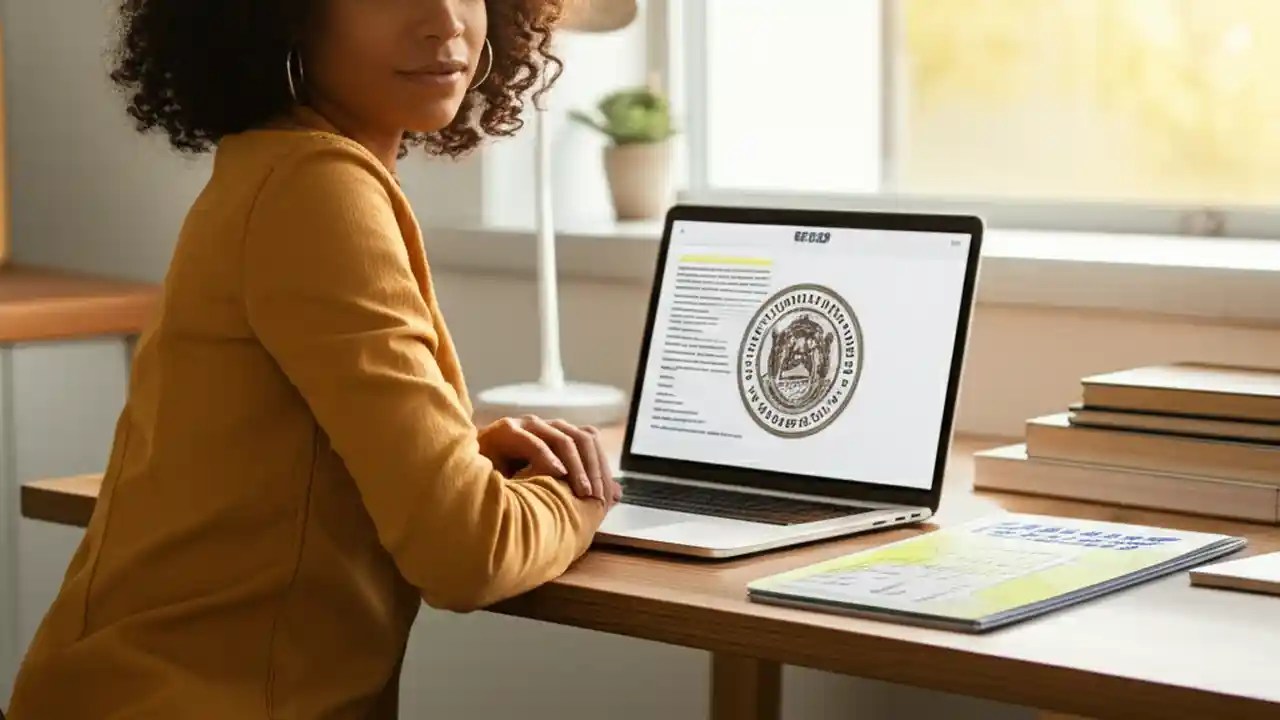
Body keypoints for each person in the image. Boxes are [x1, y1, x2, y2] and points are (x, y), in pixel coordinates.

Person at [7, 0, 620, 717]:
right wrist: (582, 495)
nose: (445, 20)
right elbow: (467, 555)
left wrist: (469, 458)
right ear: (285, 15)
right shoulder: (317, 190)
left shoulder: (277, 166)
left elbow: (289, 469)